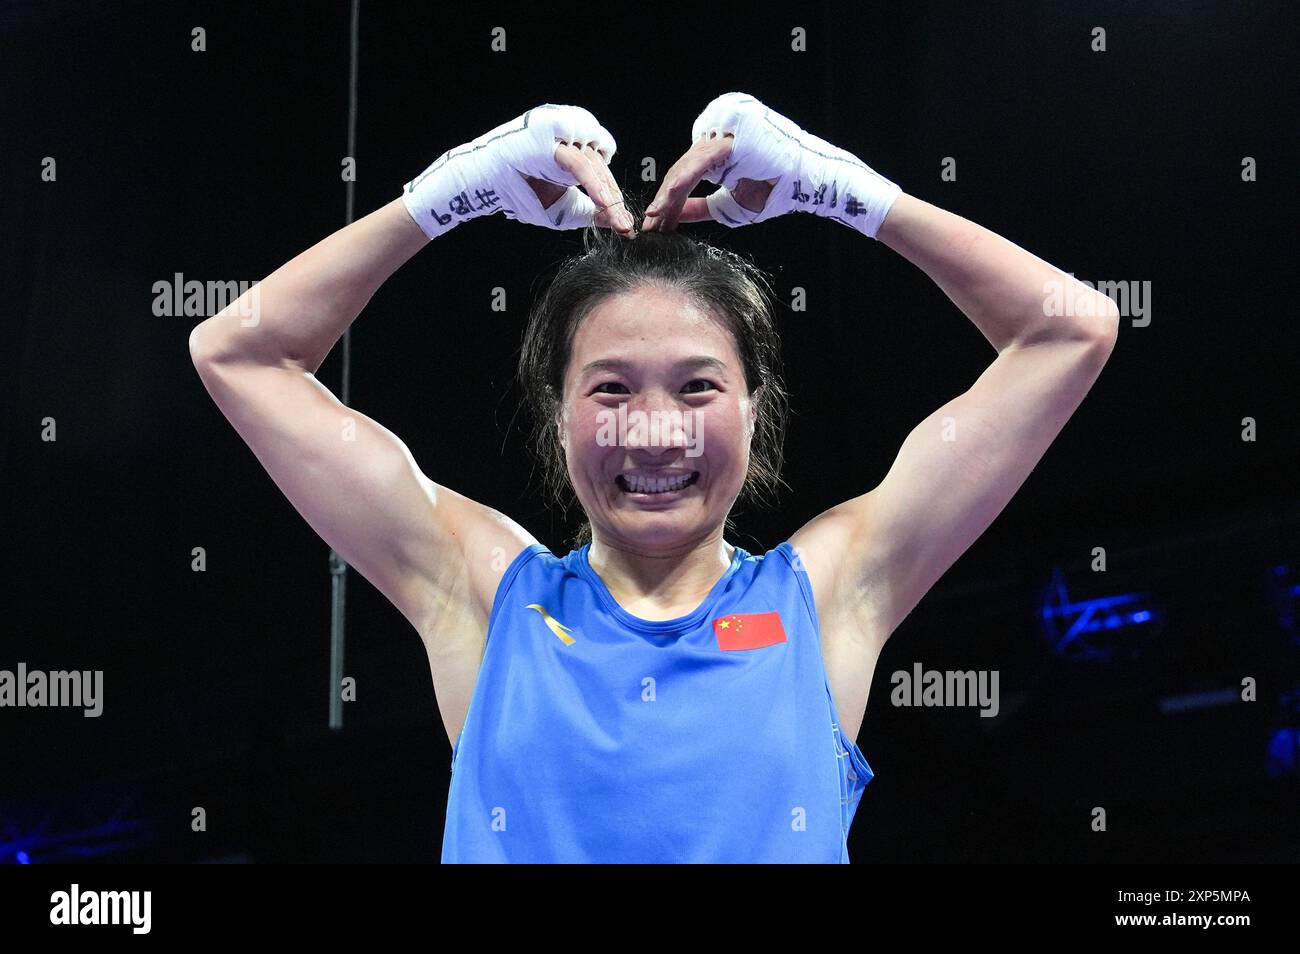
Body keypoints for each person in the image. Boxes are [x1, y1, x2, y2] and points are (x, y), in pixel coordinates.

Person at [189, 93, 1120, 863]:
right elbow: (238, 354)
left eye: (698, 386)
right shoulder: (482, 595)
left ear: (756, 410)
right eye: (611, 388)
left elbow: (1071, 329)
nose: (655, 427)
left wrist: (848, 193)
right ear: (559, 417)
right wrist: (447, 195)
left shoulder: (828, 596)